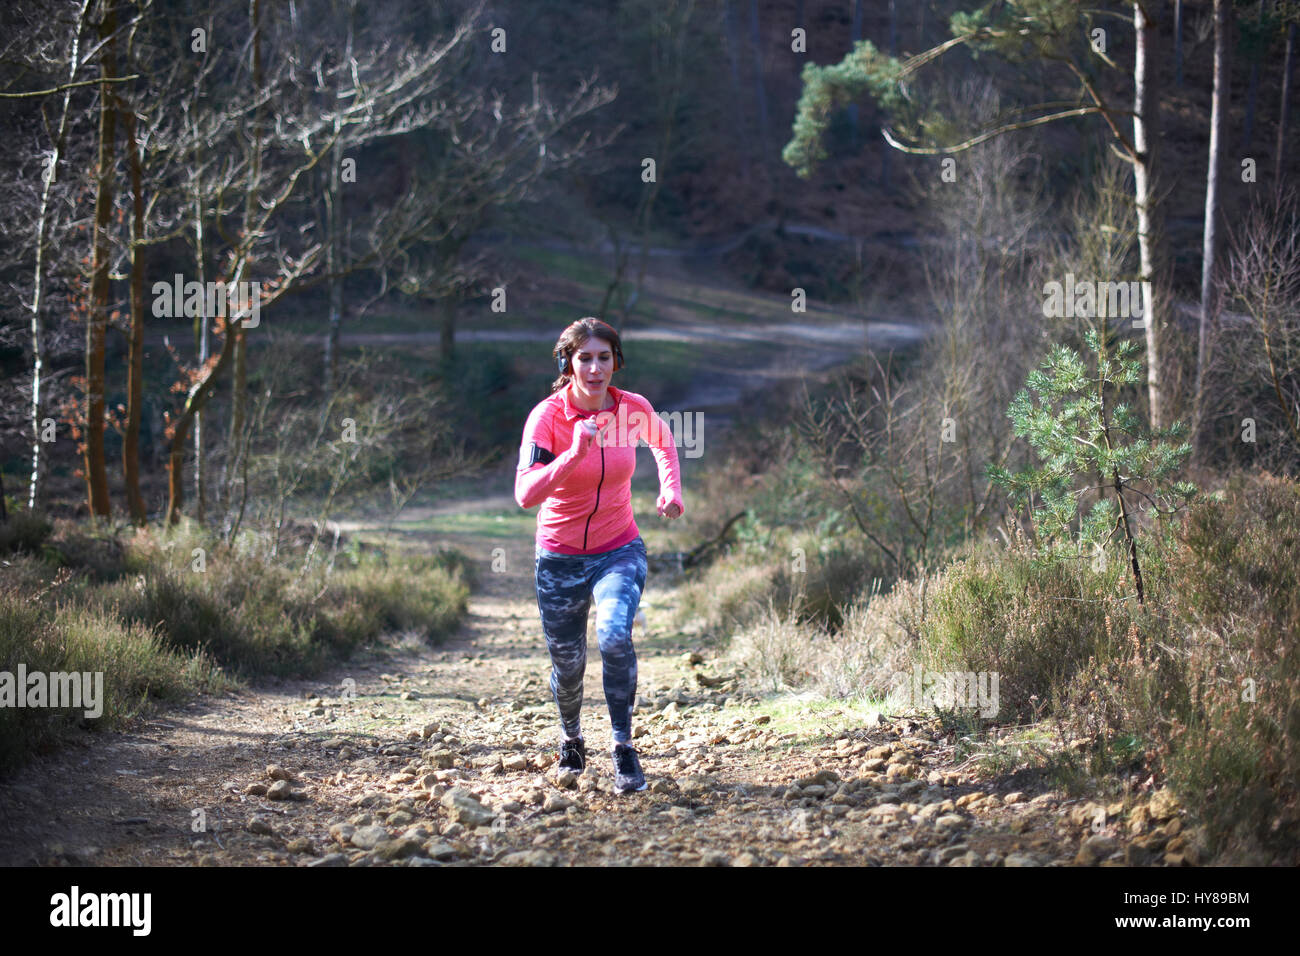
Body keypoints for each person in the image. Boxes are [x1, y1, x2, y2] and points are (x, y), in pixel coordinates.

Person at [514, 317, 684, 794]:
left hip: (618, 549)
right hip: (559, 556)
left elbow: (664, 442)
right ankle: (572, 739)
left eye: (603, 357)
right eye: (583, 357)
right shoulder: (547, 417)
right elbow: (525, 494)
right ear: (567, 363)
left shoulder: (632, 408)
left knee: (613, 635)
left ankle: (623, 746)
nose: (594, 368)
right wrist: (571, 454)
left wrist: (670, 490)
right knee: (567, 666)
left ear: (616, 361)